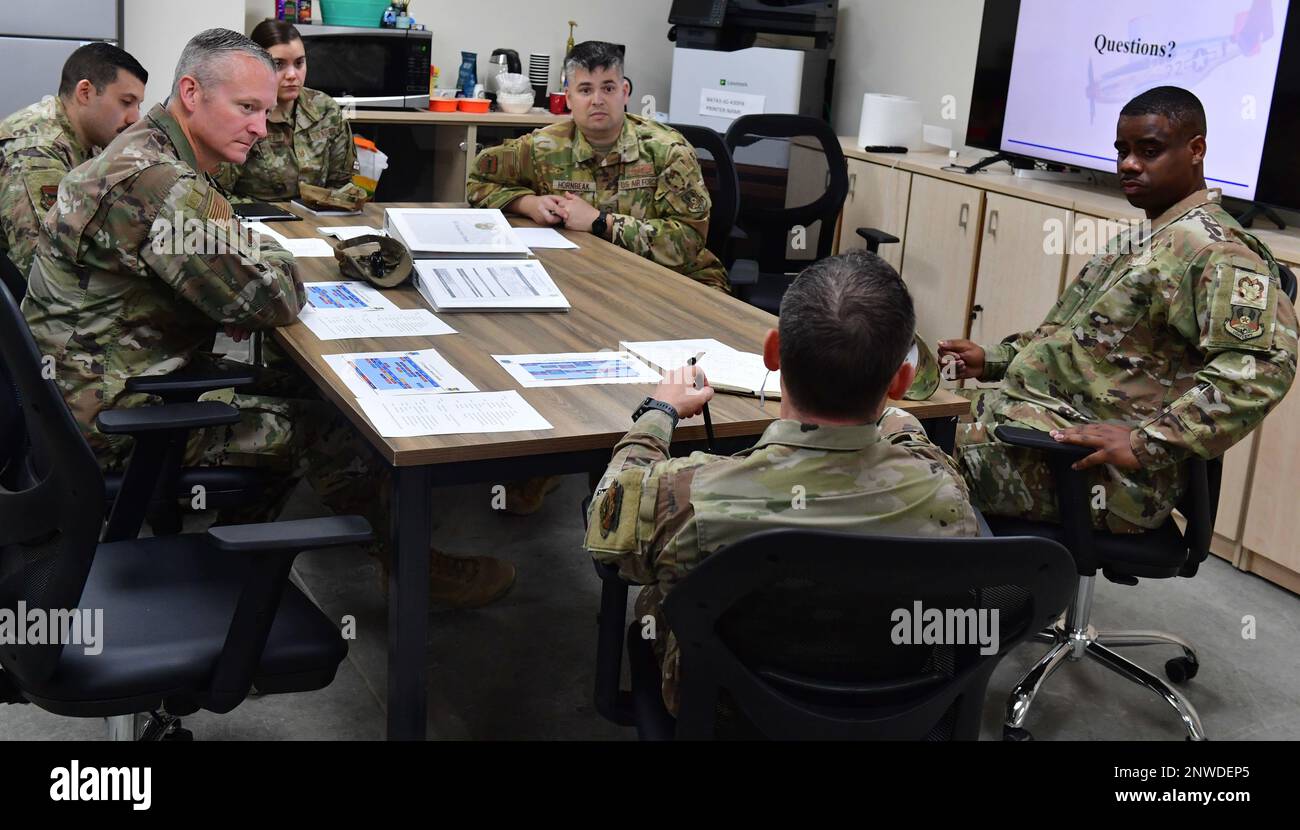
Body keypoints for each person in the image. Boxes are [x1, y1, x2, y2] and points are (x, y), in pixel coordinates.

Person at [22, 28, 514, 608]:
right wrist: (266, 261)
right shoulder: (160, 183)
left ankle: (234, 548)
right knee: (338, 428)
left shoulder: (145, 151)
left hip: (86, 389)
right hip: (109, 418)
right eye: (247, 108)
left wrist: (237, 271)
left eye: (264, 110)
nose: (261, 126)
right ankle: (411, 573)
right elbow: (270, 298)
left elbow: (228, 271)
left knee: (294, 382)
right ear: (191, 93)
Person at [585, 250, 980, 714]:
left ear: (773, 353)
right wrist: (885, 407)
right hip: (892, 709)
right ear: (901, 382)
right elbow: (918, 449)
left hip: (729, 717)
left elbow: (605, 523)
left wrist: (658, 414)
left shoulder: (689, 499)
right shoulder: (945, 497)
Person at [939, 86, 1297, 533]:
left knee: (908, 464)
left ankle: (986, 600)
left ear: (1196, 150)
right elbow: (1067, 338)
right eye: (1122, 151)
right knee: (903, 421)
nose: (1129, 164)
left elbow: (1261, 368)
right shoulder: (1140, 240)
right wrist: (993, 358)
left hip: (1105, 477)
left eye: (1149, 151)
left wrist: (1150, 442)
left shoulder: (1217, 251)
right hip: (1037, 425)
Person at [467, 40, 727, 294]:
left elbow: (688, 241)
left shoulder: (668, 151)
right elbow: (479, 181)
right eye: (585, 90)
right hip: (588, 276)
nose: (597, 100)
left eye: (608, 88)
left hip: (674, 281)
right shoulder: (544, 146)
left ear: (625, 93)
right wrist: (528, 204)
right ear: (568, 97)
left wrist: (601, 222)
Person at [0, 42, 146, 277]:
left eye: (139, 105)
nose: (135, 118)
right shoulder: (37, 149)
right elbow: (44, 265)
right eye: (126, 102)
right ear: (85, 92)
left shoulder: (93, 140)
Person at [216, 19, 368, 210]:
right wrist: (278, 212)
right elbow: (217, 192)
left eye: (299, 63)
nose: (292, 75)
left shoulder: (326, 109)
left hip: (319, 222)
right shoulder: (241, 113)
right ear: (255, 65)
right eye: (278, 64)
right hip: (257, 223)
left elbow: (344, 183)